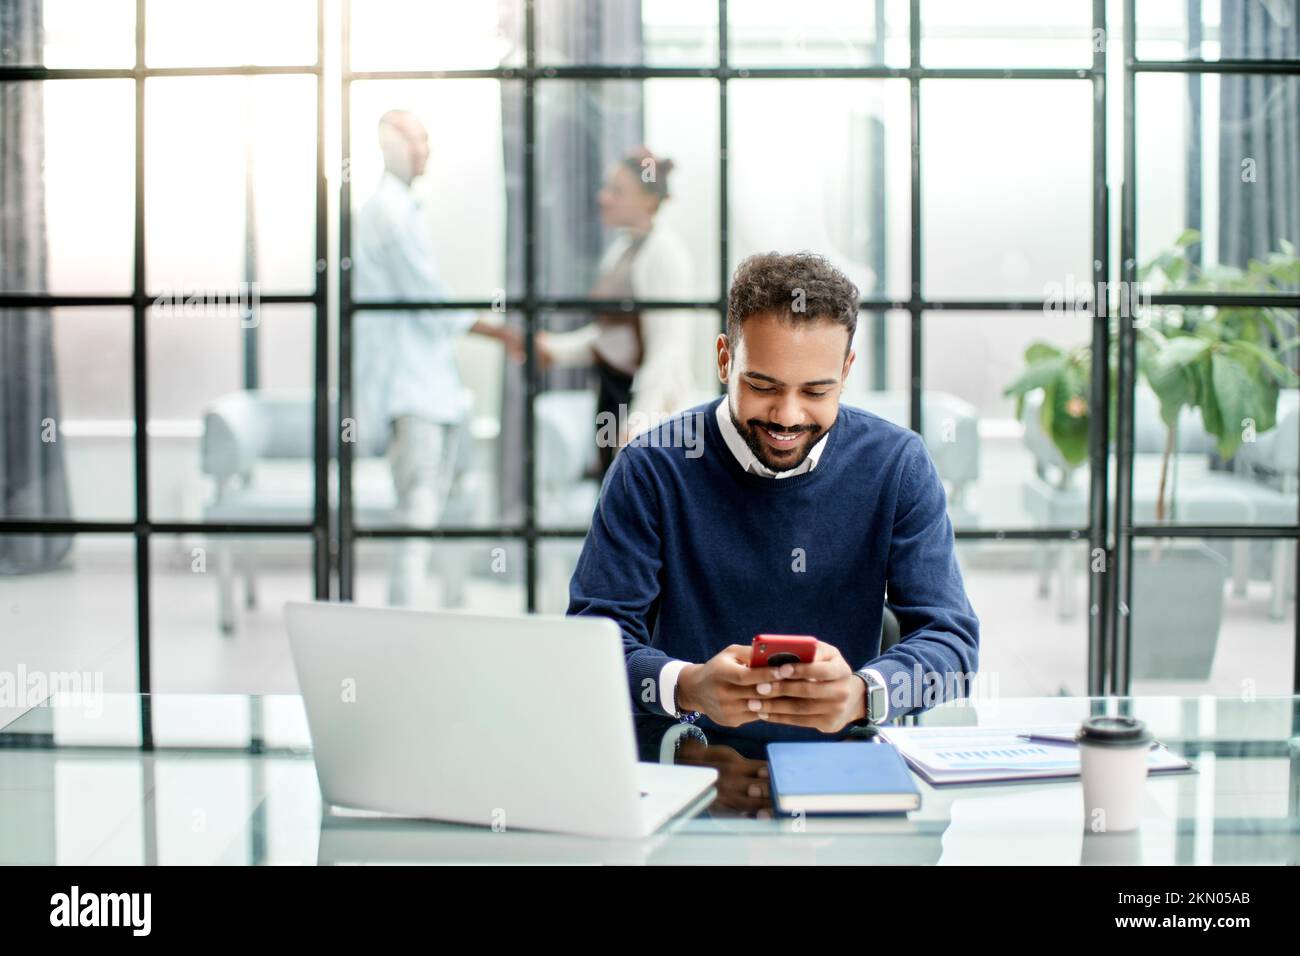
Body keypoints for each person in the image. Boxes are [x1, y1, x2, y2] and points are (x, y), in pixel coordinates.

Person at [567, 251, 980, 740]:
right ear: (725, 358)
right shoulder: (651, 466)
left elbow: (950, 641)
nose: (787, 415)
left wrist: (863, 694)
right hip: (686, 761)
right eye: (763, 385)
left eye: (815, 391)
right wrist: (689, 687)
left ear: (846, 370)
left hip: (841, 772)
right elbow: (592, 639)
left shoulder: (897, 464)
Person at [352, 109, 523, 606]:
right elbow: (427, 302)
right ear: (392, 147)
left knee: (431, 510)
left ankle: (433, 619)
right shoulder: (386, 211)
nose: (425, 151)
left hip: (431, 390)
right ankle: (402, 630)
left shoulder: (403, 209)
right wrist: (500, 333)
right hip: (412, 394)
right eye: (417, 141)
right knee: (416, 517)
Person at [536, 146, 702, 475]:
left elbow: (668, 349)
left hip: (648, 412)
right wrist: (554, 349)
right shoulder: (622, 250)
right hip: (615, 399)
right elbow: (609, 336)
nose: (603, 198)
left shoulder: (664, 253)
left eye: (617, 191)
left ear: (648, 200)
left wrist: (639, 424)